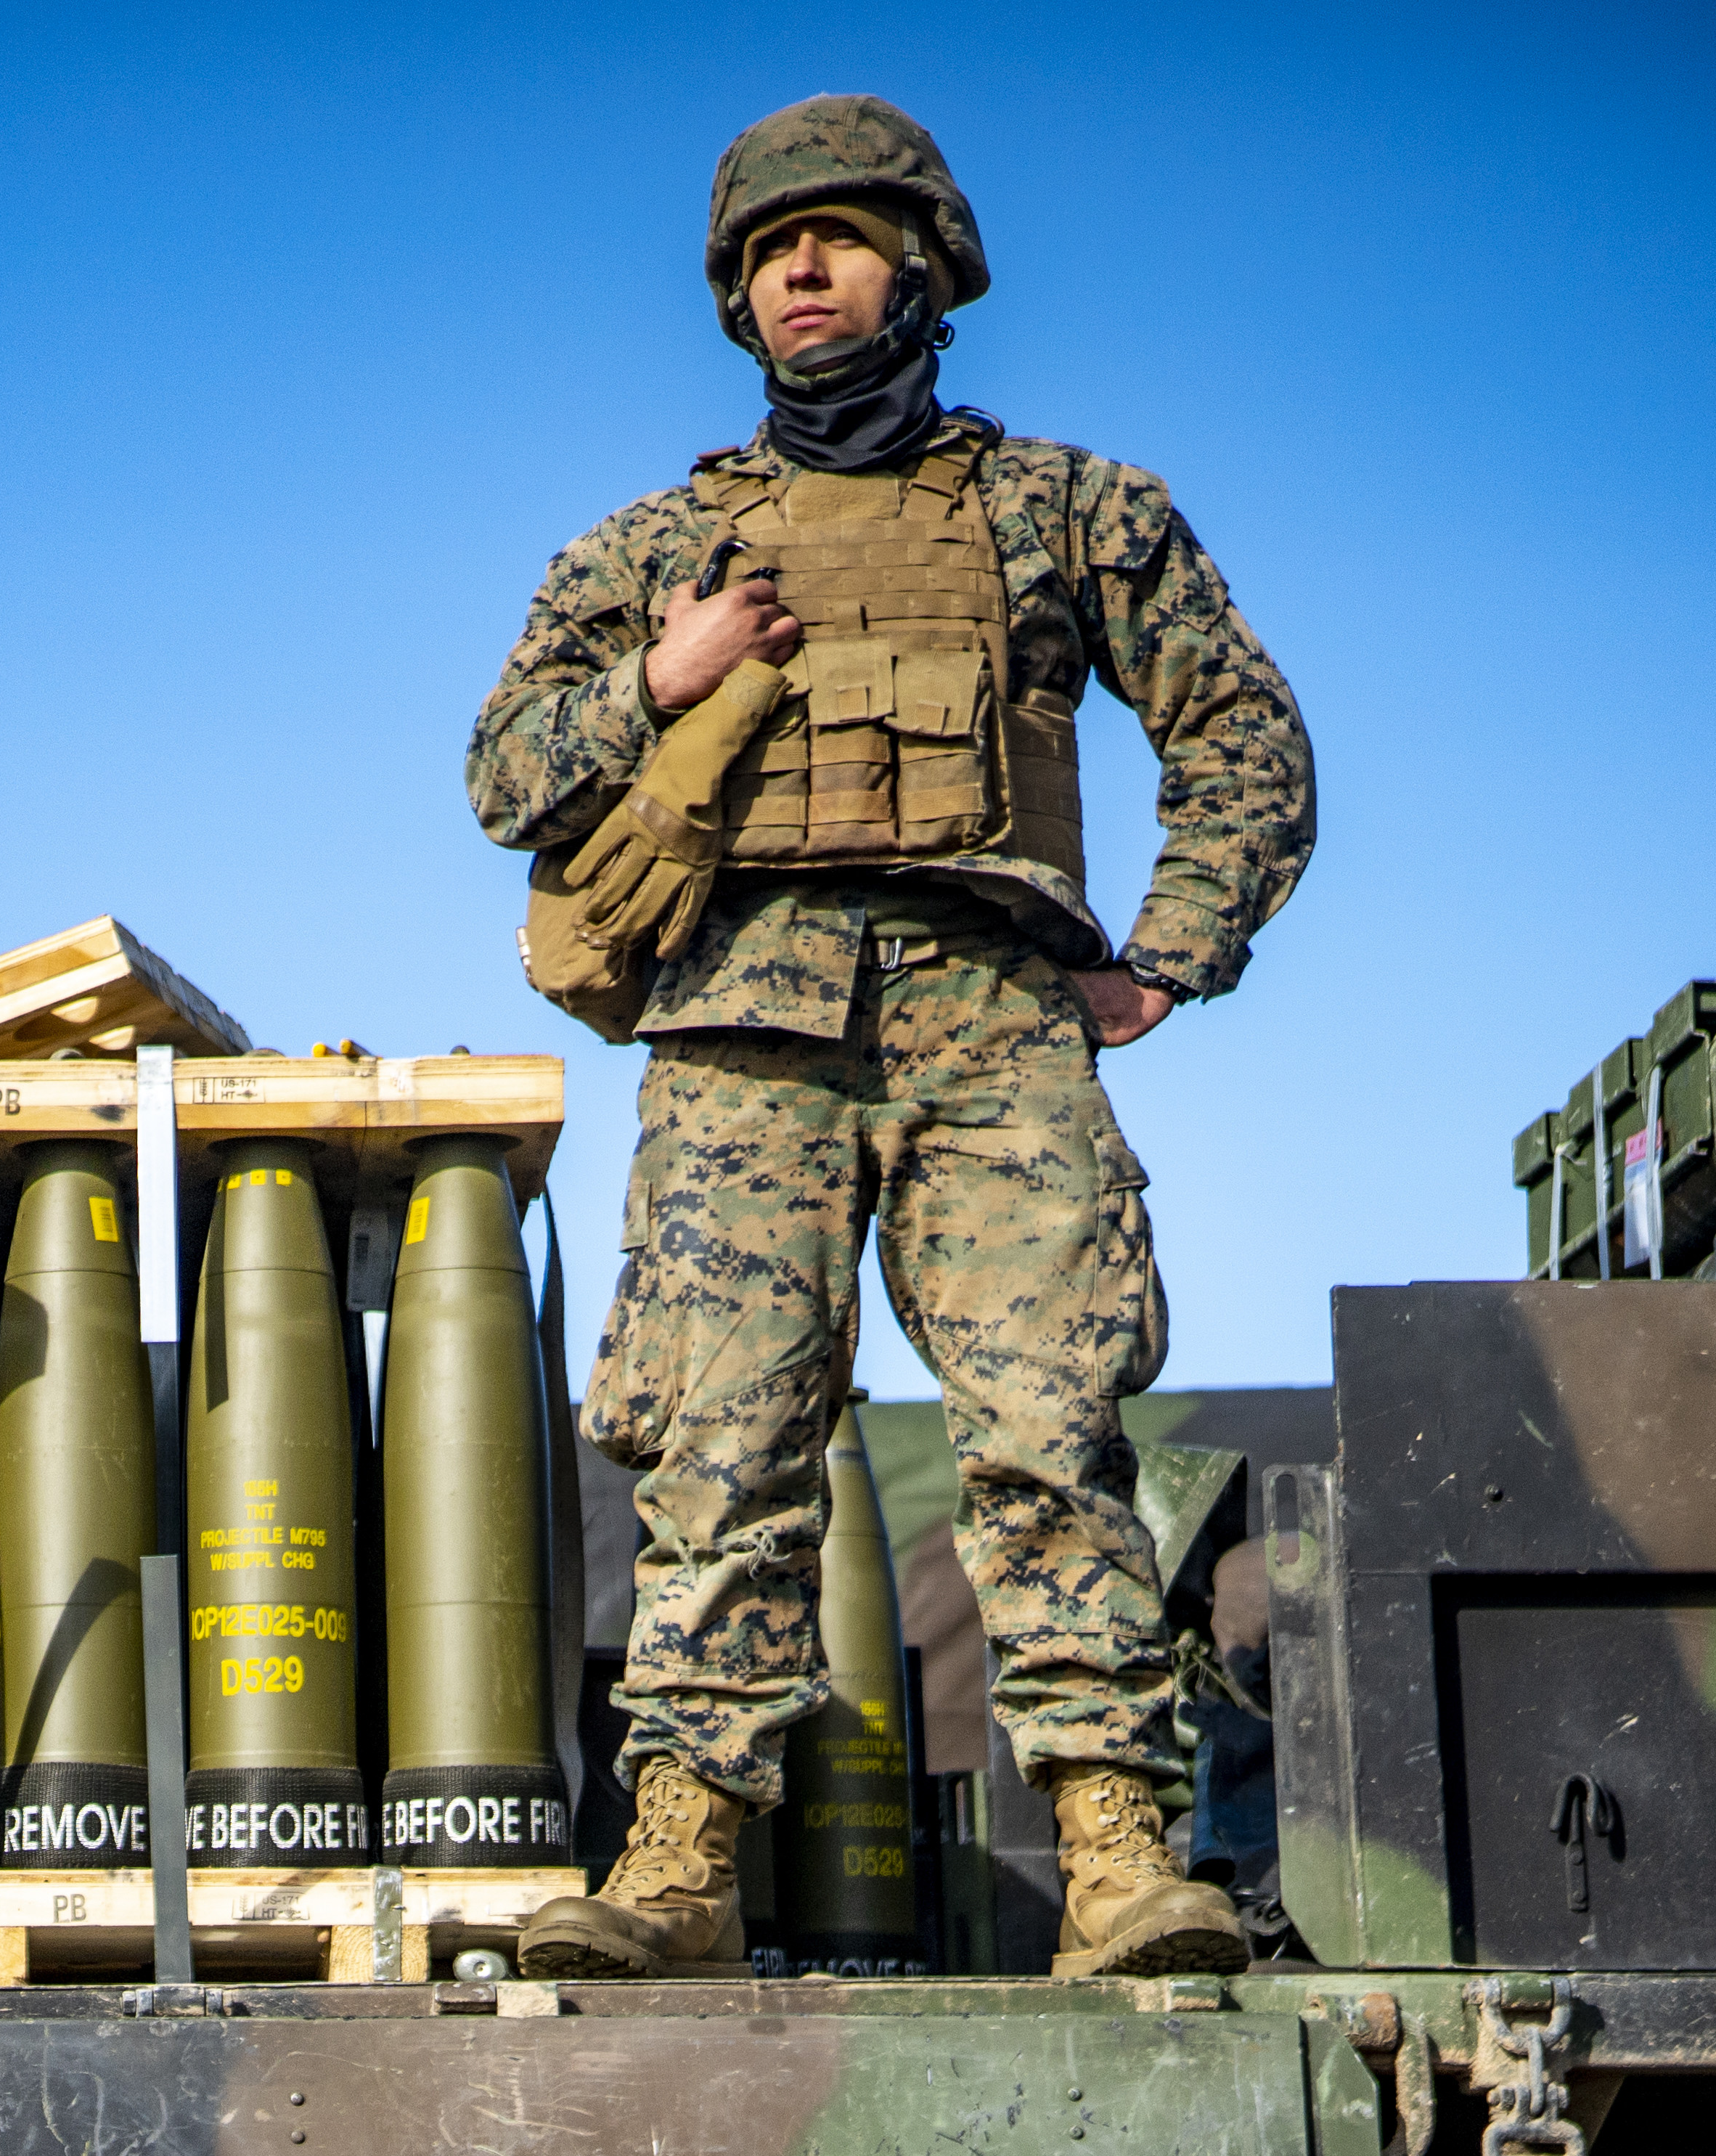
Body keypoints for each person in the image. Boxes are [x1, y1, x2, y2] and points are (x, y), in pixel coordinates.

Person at [470, 94, 1313, 1978]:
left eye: (838, 236)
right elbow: (498, 771)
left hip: (990, 1023)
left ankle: (1116, 1863)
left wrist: (1166, 954)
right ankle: (676, 1870)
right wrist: (657, 677)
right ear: (734, 298)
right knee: (724, 1443)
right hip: (738, 1028)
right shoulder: (659, 542)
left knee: (1046, 1432)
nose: (801, 268)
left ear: (920, 263)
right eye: (769, 249)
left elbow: (1243, 740)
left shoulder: (1071, 511)